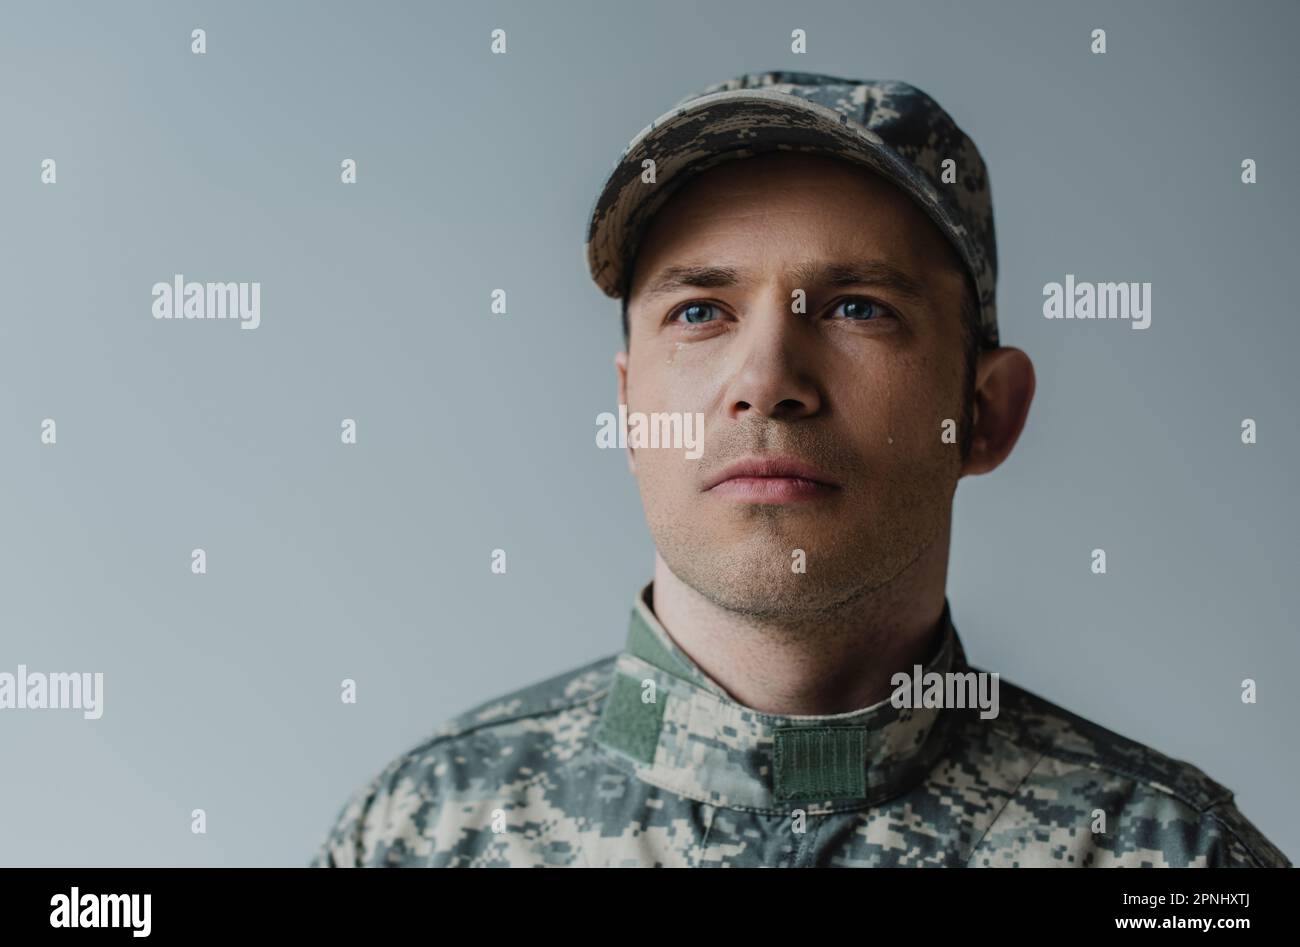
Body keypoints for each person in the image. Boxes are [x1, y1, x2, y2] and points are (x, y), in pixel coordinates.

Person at [311, 71, 1289, 867]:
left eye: (857, 307)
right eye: (700, 312)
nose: (768, 381)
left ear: (983, 414)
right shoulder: (426, 835)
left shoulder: (1168, 863)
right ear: (626, 408)